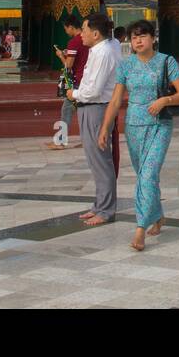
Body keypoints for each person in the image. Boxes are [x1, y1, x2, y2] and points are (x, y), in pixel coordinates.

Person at [99, 19, 179, 251]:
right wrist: (104, 129)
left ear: (153, 38)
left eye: (142, 36)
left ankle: (140, 229)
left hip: (160, 124)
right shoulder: (125, 65)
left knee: (148, 175)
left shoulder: (166, 62)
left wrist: (165, 100)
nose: (138, 41)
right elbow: (116, 100)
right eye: (134, 37)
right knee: (145, 175)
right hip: (134, 126)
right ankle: (158, 215)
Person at [67, 12, 121, 226]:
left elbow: (95, 90)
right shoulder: (108, 46)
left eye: (85, 29)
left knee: (101, 160)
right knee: (96, 159)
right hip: (92, 107)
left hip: (96, 107)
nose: (81, 34)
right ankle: (100, 205)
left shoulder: (103, 52)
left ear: (96, 33)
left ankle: (106, 210)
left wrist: (75, 94)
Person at [51, 14, 88, 150]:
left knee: (66, 109)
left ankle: (61, 141)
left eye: (66, 29)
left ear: (71, 27)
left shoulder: (74, 42)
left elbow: (68, 65)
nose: (66, 32)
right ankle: (87, 140)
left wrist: (61, 56)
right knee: (85, 112)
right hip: (88, 80)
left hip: (78, 81)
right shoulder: (87, 39)